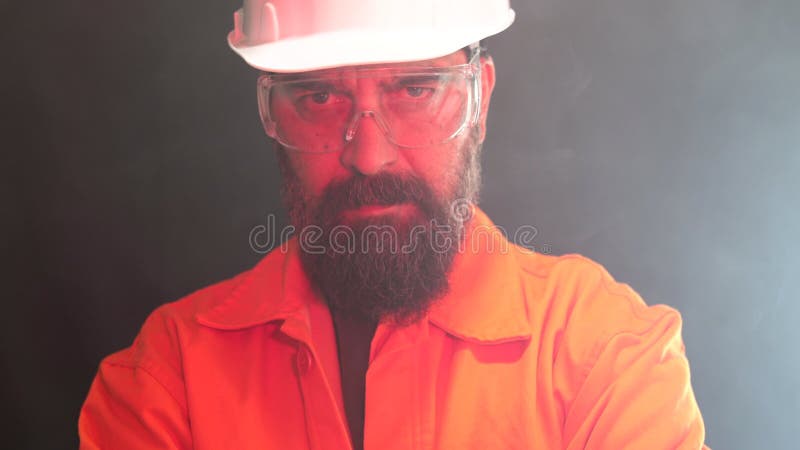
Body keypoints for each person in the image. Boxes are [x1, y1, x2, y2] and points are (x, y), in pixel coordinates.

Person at [79, 0, 709, 448]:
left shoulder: (604, 357)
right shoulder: (169, 380)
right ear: (273, 115)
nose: (368, 155)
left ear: (479, 99)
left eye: (415, 89)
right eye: (320, 97)